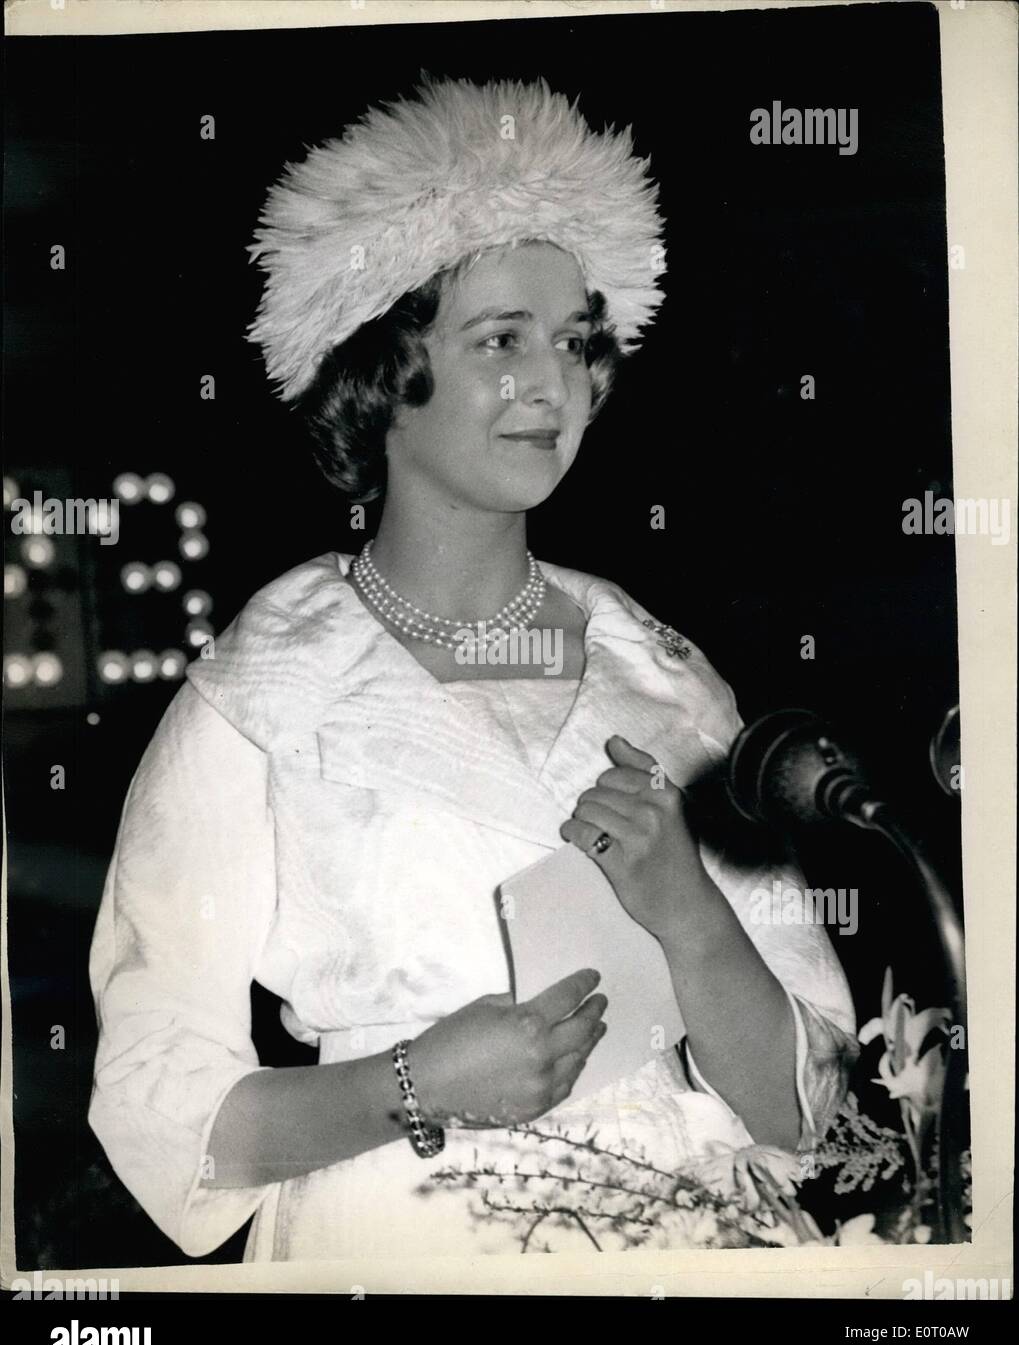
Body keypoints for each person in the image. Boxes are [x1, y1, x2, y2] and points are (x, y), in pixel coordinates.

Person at [88, 77, 859, 1261]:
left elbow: (811, 1113)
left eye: (573, 343)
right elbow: (162, 1117)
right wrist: (414, 1083)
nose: (551, 385)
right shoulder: (261, 694)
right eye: (499, 340)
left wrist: (693, 919)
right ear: (381, 371)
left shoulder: (666, 685)